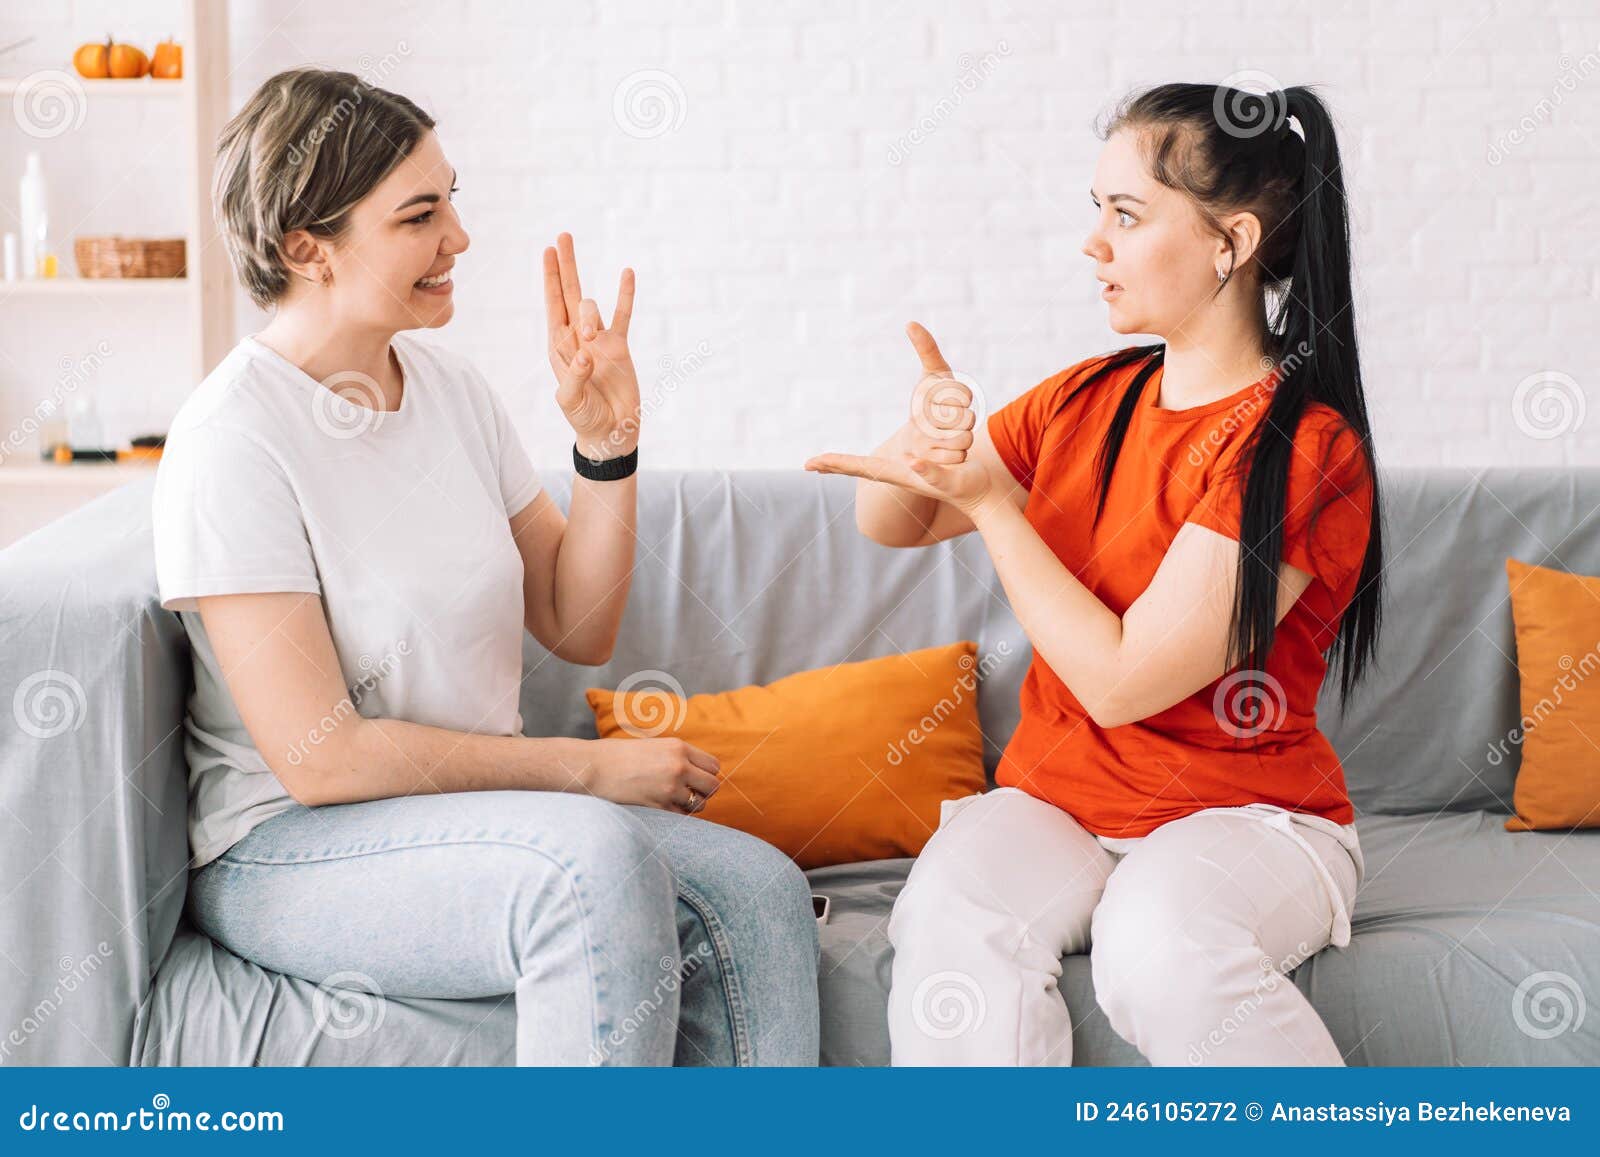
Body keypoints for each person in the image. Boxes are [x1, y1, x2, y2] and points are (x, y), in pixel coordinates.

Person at [154, 67, 819, 1066]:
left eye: (450, 200)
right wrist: (585, 770)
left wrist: (607, 445)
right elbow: (321, 757)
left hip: (476, 816)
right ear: (307, 248)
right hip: (289, 843)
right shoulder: (233, 438)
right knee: (586, 862)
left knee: (758, 888)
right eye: (419, 214)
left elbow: (575, 620)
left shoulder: (448, 388)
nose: (458, 238)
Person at [806, 83, 1383, 1066]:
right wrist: (930, 442)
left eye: (1126, 214)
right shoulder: (1086, 397)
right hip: (1057, 804)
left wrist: (993, 501)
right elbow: (888, 522)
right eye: (1096, 211)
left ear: (1229, 244)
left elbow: (1122, 682)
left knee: (1156, 947)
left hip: (1246, 818)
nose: (1092, 244)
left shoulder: (1299, 450)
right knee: (946, 916)